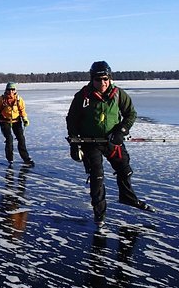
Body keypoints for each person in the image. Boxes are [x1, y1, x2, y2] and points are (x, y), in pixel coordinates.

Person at [66, 61, 154, 227]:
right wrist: (74, 143)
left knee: (125, 170)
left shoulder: (118, 94)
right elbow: (71, 119)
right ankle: (99, 214)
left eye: (105, 79)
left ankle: (127, 197)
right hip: (90, 143)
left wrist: (121, 131)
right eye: (98, 79)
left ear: (110, 78)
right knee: (97, 178)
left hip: (112, 141)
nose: (103, 83)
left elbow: (130, 114)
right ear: (92, 79)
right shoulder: (83, 96)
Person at [0, 82, 35, 166]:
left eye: (12, 89)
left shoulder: (19, 100)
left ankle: (26, 158)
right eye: (9, 89)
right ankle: (10, 158)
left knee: (21, 138)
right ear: (6, 90)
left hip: (16, 121)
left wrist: (25, 118)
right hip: (5, 121)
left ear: (15, 90)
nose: (11, 91)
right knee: (9, 139)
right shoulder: (2, 99)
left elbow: (22, 110)